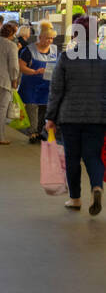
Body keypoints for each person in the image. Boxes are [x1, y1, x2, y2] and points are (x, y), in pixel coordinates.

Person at [45, 15, 106, 215]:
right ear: (96, 34)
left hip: (69, 116)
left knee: (72, 158)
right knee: (93, 156)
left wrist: (50, 117)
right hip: (98, 116)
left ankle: (75, 199)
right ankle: (97, 186)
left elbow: (56, 91)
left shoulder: (66, 58)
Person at [18, 21, 57, 143]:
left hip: (46, 87)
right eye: (47, 38)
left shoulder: (55, 50)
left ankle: (40, 132)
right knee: (32, 109)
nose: (49, 41)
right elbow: (21, 66)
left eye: (51, 39)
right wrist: (34, 72)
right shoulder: (29, 50)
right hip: (31, 85)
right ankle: (32, 133)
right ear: (40, 37)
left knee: (44, 111)